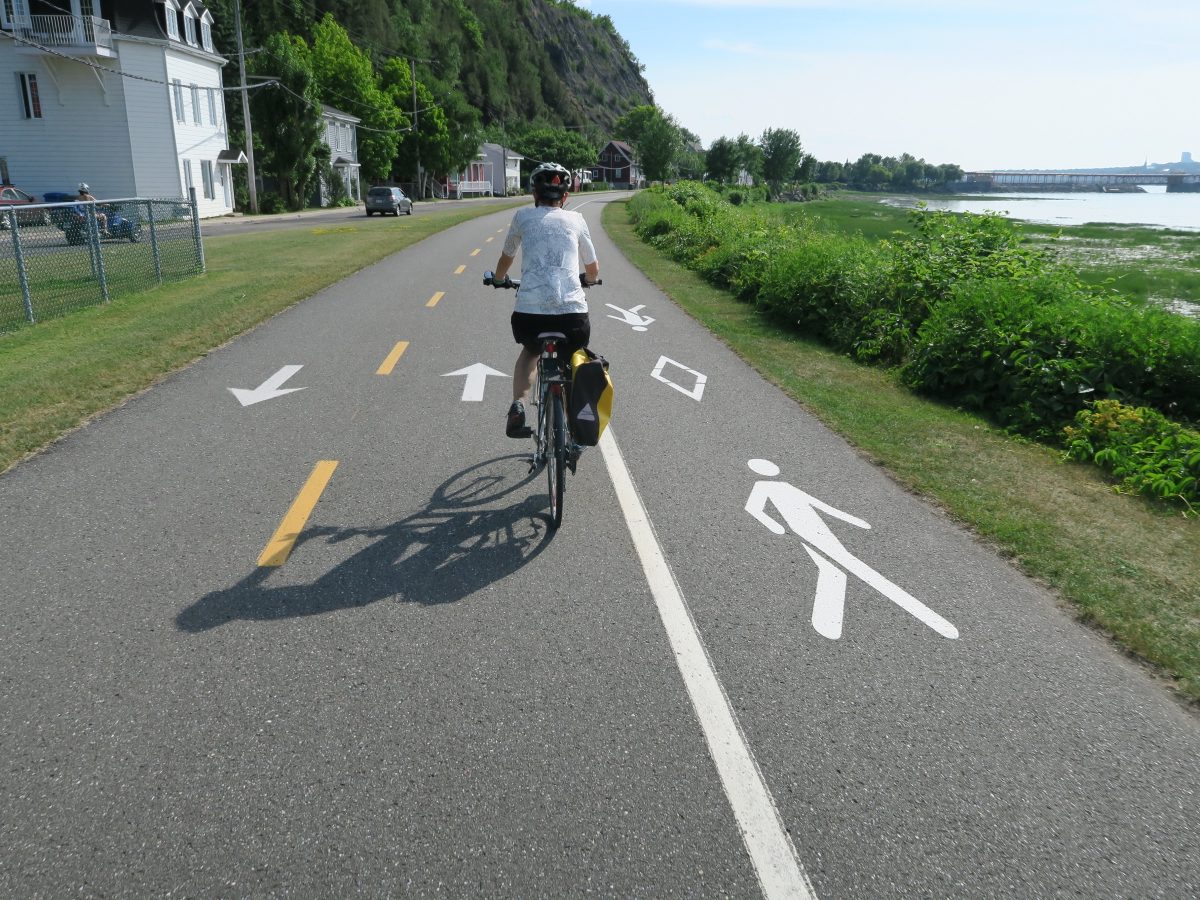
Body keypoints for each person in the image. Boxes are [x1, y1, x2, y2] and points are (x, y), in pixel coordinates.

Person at [489, 161, 600, 438]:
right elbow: (593, 269)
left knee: (530, 352)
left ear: (534, 194)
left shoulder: (523, 217)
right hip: (573, 316)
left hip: (529, 316)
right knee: (574, 356)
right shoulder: (576, 220)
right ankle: (576, 417)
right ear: (565, 197)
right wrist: (587, 279)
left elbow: (506, 258)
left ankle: (519, 404)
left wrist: (499, 279)